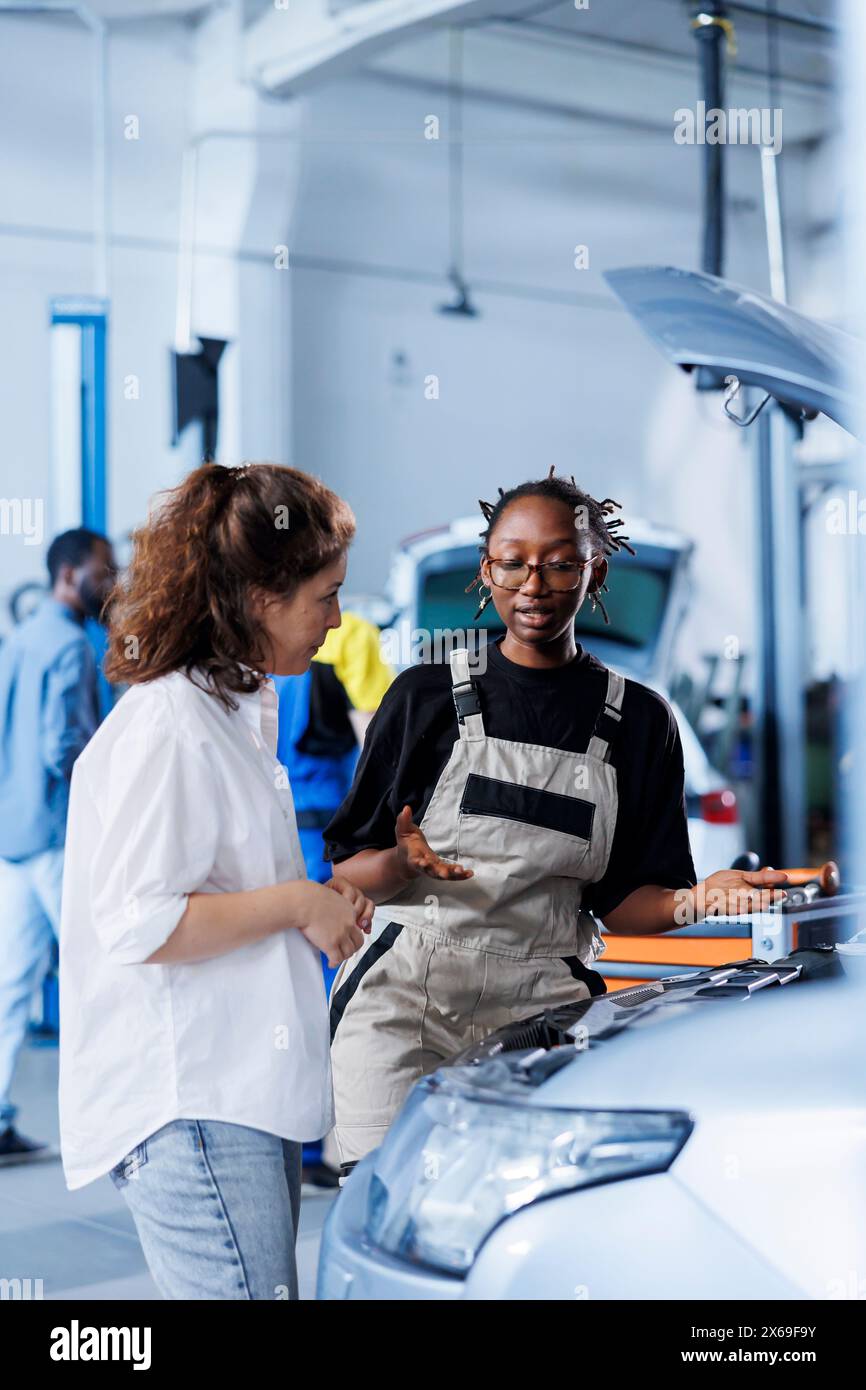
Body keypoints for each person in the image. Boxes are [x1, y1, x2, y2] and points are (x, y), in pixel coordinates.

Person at [324, 471, 789, 1175]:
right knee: (390, 1189)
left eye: (560, 562)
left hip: (545, 1002)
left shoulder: (640, 722)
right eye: (513, 561)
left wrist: (699, 900)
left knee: (524, 1199)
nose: (533, 583)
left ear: (592, 568)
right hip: (407, 995)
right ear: (488, 569)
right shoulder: (425, 695)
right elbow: (348, 870)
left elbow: (626, 907)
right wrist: (399, 863)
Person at [58, 462, 374, 1300]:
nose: (336, 622)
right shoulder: (170, 724)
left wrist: (315, 898)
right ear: (260, 597)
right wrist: (296, 902)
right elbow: (138, 921)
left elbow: (220, 883)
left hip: (238, 1089)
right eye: (326, 595)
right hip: (191, 1099)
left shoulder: (232, 711)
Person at [0, 528, 116, 1164]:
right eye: (104, 568)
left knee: (11, 986)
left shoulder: (18, 639)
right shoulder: (72, 646)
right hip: (56, 836)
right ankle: (104, 1118)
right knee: (96, 971)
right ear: (70, 576)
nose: (113, 577)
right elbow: (63, 750)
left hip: (13, 833)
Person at [272, 612, 393, 1186]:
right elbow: (378, 745)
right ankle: (326, 1147)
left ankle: (288, 1137)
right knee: (336, 986)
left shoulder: (247, 635)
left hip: (272, 839)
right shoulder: (353, 636)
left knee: (280, 985)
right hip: (328, 839)